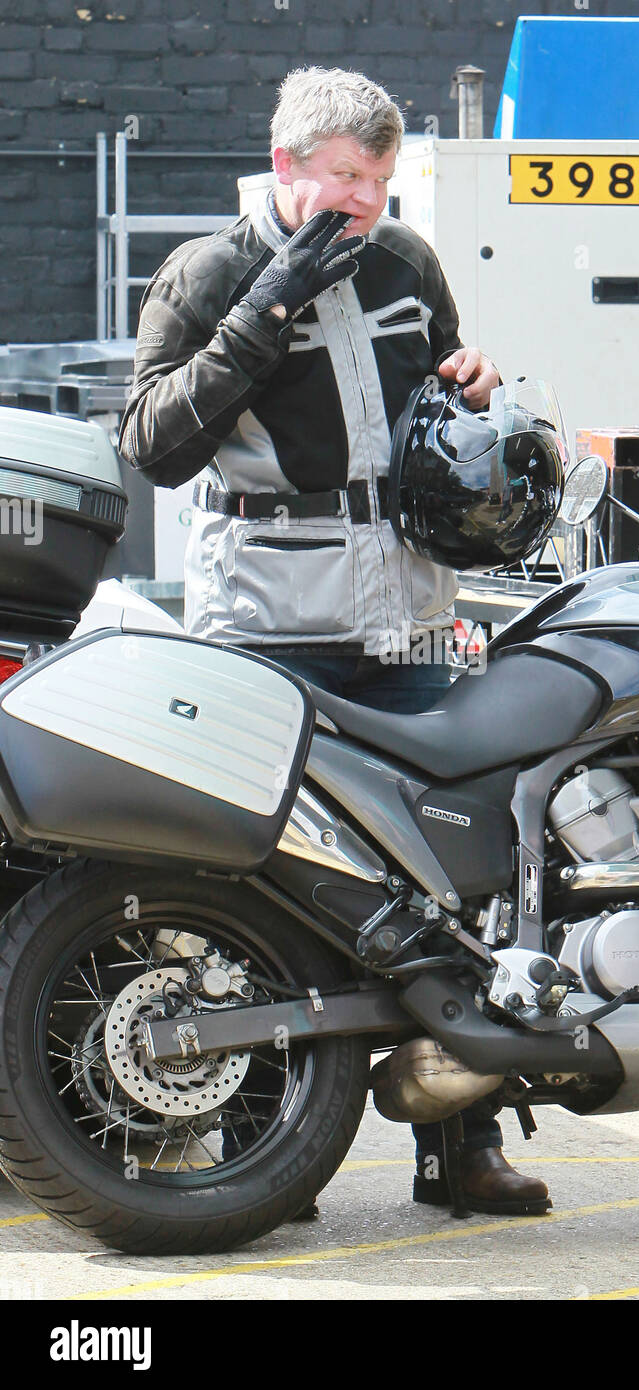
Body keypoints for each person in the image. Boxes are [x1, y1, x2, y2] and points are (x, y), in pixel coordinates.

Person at [117, 65, 550, 1219]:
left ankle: (459, 1146)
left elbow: (445, 381)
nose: (366, 200)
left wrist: (471, 380)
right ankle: (261, 1143)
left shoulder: (404, 259)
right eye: (348, 179)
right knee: (265, 883)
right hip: (267, 626)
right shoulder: (208, 272)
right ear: (286, 167)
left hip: (407, 617)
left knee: (451, 872)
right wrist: (269, 302)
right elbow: (150, 441)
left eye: (381, 179)